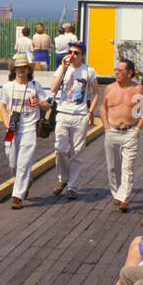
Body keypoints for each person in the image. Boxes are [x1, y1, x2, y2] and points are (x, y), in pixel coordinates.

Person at [49, 41, 98, 199]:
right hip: (63, 112)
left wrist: (90, 112)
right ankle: (62, 179)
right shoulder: (63, 68)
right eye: (70, 52)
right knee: (61, 149)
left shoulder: (89, 71)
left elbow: (96, 93)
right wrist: (63, 68)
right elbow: (53, 89)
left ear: (82, 55)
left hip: (80, 115)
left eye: (76, 53)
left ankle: (72, 186)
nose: (72, 55)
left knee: (77, 152)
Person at [0, 53, 49, 209]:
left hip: (29, 127)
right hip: (12, 128)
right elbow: (2, 107)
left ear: (28, 70)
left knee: (23, 163)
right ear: (14, 70)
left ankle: (17, 196)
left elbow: (47, 105)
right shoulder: (7, 87)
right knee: (12, 162)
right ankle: (26, 181)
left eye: (23, 68)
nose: (20, 70)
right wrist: (6, 122)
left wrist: (39, 104)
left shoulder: (35, 86)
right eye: (18, 68)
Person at [101, 59, 143, 212]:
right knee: (113, 167)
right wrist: (106, 127)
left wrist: (137, 129)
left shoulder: (137, 88)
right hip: (112, 131)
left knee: (128, 167)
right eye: (116, 70)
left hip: (130, 131)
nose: (117, 73)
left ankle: (124, 198)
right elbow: (103, 107)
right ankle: (116, 193)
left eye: (120, 71)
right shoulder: (109, 88)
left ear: (129, 73)